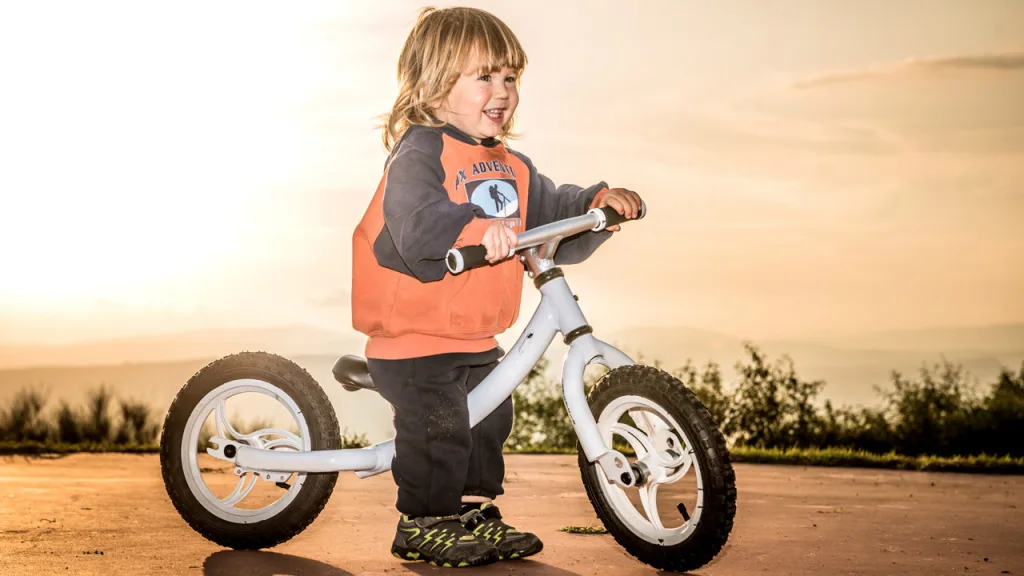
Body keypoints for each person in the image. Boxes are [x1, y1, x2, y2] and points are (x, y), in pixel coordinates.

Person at [350, 6, 643, 568]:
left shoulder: (514, 166)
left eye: (510, 77)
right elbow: (416, 221)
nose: (502, 90)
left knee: (487, 423)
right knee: (441, 426)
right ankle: (423, 522)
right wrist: (478, 230)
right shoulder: (420, 153)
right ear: (435, 84)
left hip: (475, 336)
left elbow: (551, 212)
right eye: (484, 76)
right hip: (414, 339)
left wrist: (596, 204)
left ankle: (472, 512)